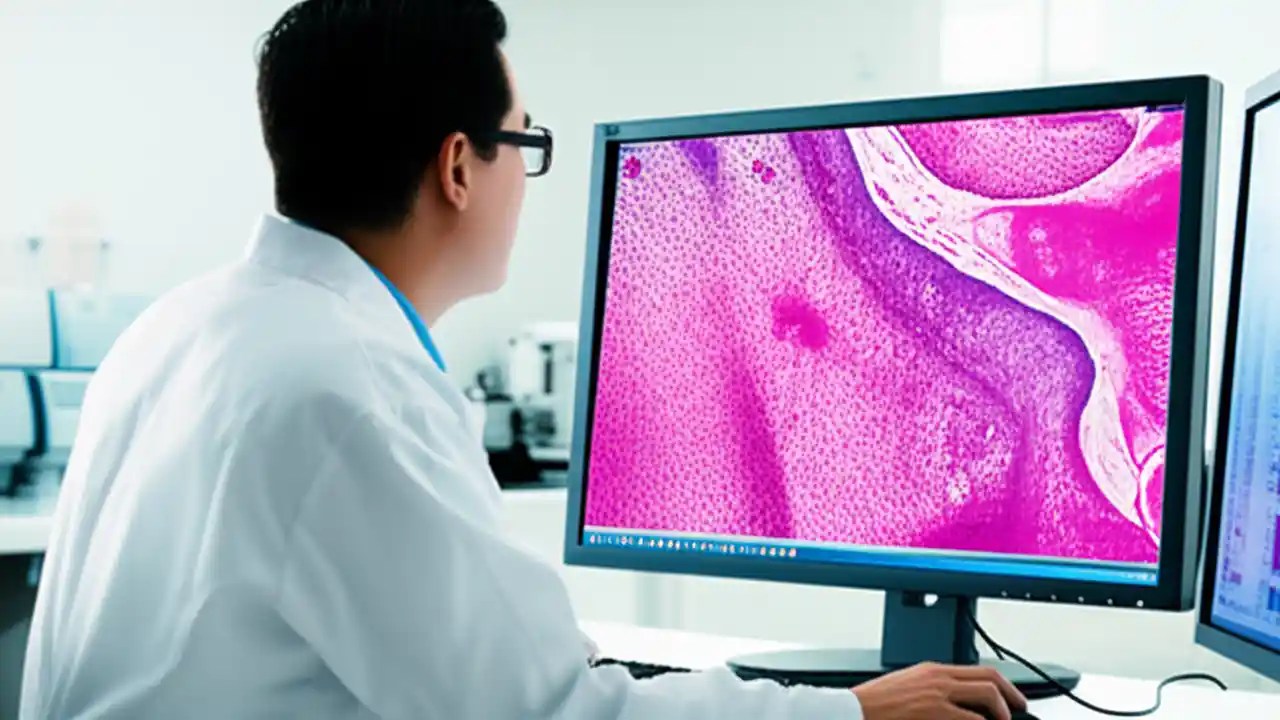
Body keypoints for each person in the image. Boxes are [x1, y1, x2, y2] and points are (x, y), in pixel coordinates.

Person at [20, 1, 1029, 718]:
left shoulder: (177, 329)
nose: (527, 175)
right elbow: (544, 711)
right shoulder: (345, 388)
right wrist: (850, 717)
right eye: (524, 142)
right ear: (459, 166)